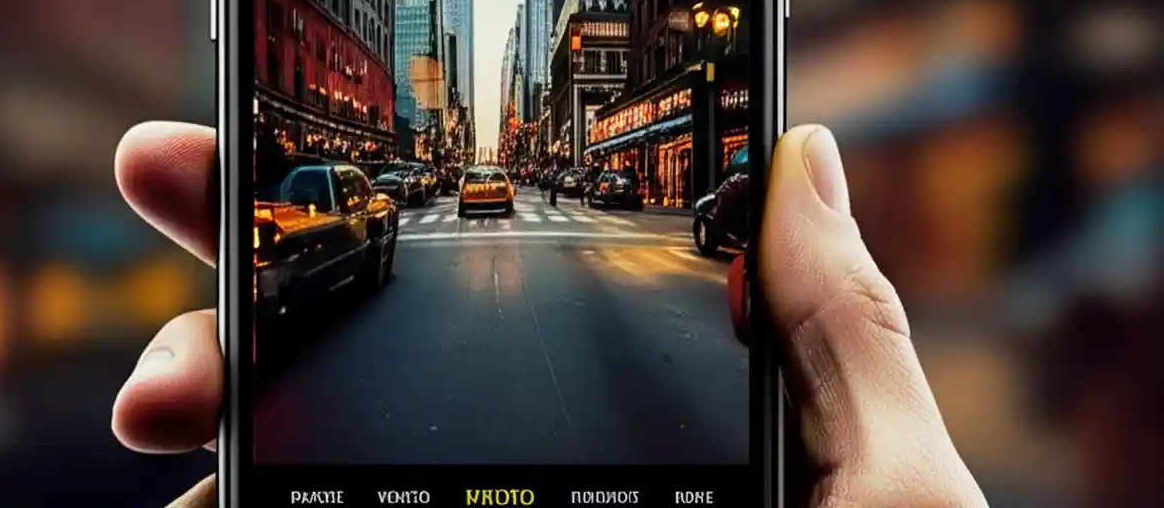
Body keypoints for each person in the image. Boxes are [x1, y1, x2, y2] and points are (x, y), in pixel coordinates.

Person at [110, 123, 988, 507]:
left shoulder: (419, 201)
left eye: (492, 179)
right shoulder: (384, 204)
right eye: (480, 180)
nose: (487, 187)